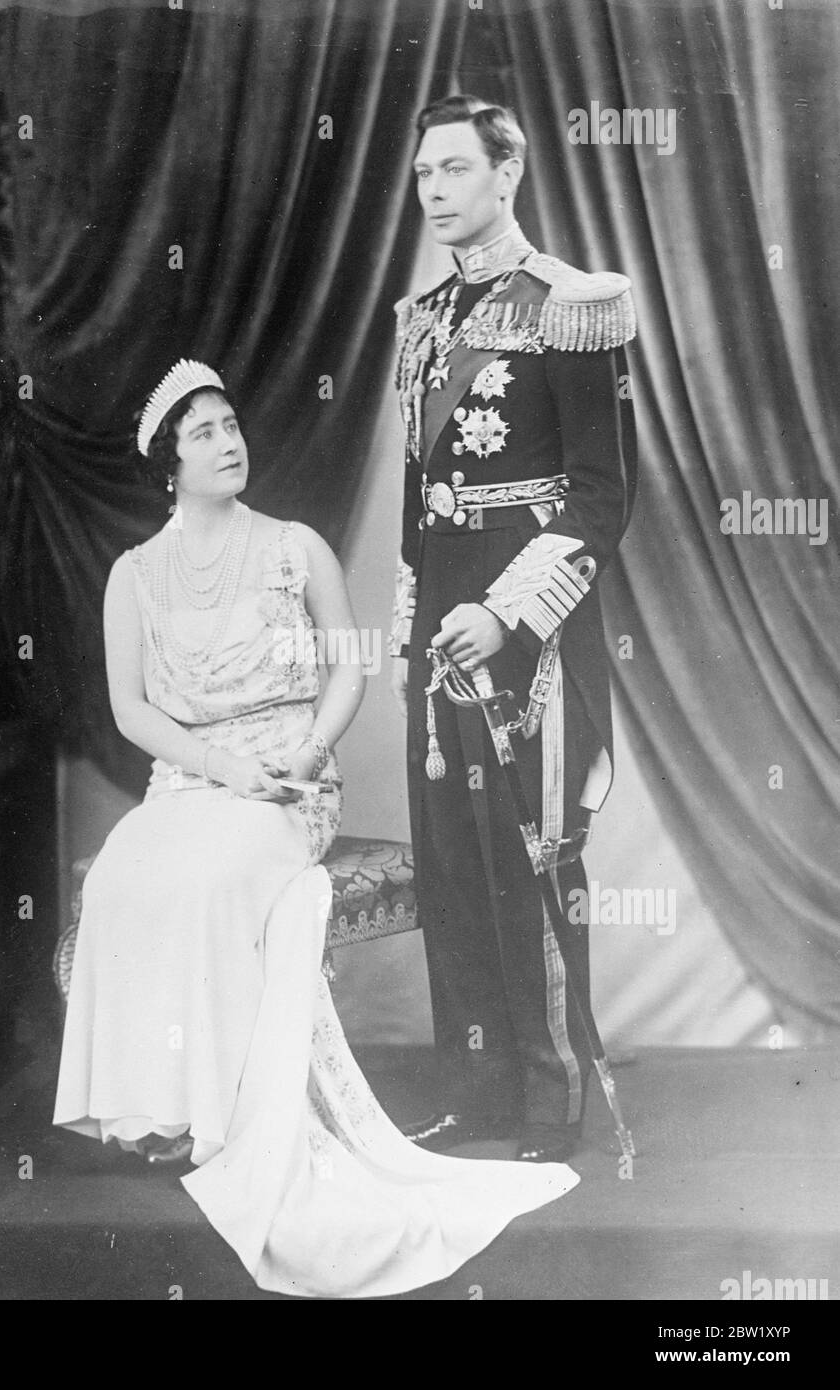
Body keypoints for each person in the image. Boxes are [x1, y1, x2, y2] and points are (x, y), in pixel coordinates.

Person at [53, 358, 579, 1298]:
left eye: (231, 424)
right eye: (203, 432)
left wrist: (301, 757)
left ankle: (225, 1116)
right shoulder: (133, 576)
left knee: (219, 875)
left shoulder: (297, 547)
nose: (229, 442)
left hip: (292, 780)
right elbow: (133, 712)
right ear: (167, 463)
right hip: (189, 776)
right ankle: (163, 1112)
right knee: (123, 877)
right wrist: (215, 767)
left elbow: (350, 671)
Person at [390, 97, 638, 1164]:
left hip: (527, 626)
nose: (435, 190)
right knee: (451, 857)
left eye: (454, 169)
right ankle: (475, 1090)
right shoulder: (423, 318)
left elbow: (601, 497)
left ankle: (547, 1101)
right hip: (440, 618)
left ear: (507, 173)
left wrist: (505, 613)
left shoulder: (572, 306)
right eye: (422, 175)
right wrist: (420, 617)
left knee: (530, 857)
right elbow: (420, 493)